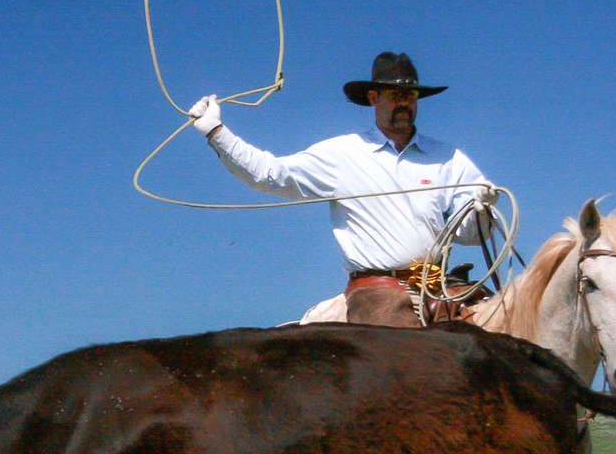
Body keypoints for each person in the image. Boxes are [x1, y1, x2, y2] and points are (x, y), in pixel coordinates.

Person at [188, 51, 497, 326]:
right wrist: (216, 132)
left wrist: (483, 210)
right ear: (374, 98)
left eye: (411, 95)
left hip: (441, 287)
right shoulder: (343, 154)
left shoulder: (448, 157)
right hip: (380, 294)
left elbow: (472, 234)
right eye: (396, 94)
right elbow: (270, 174)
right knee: (400, 357)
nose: (404, 102)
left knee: (503, 328)